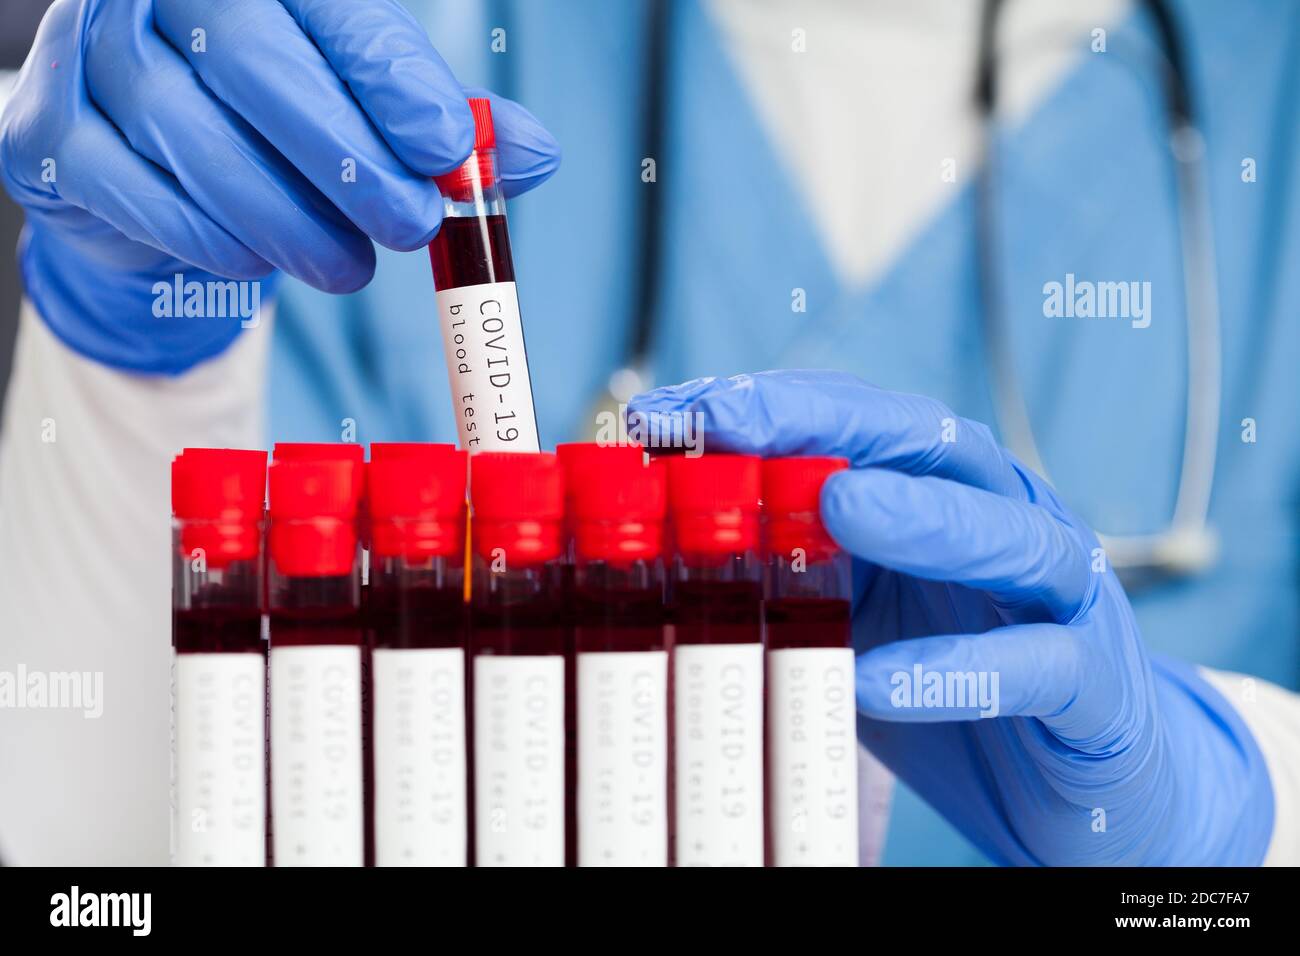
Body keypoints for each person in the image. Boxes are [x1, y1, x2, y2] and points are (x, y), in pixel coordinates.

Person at [0, 0, 1296, 865]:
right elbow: (107, 848)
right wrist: (136, 359)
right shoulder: (407, 45)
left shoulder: (1271, 102)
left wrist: (1241, 813)